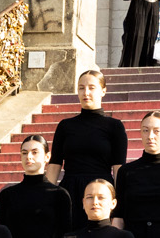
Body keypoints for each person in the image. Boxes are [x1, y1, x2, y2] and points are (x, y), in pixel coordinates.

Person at [50, 69, 127, 205]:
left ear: (103, 91)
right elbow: (55, 164)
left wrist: (119, 203)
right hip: (70, 192)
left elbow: (118, 169)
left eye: (92, 88)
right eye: (81, 88)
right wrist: (46, 196)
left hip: (101, 192)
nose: (86, 93)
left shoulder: (114, 126)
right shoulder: (65, 126)